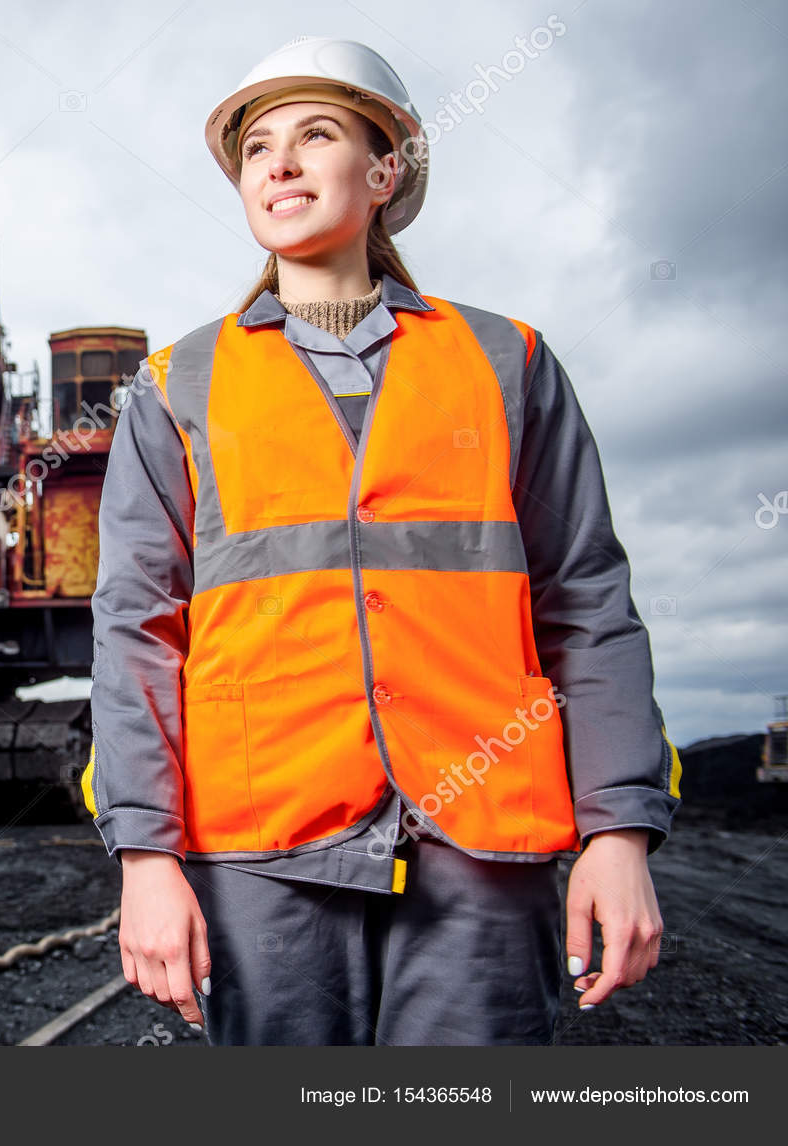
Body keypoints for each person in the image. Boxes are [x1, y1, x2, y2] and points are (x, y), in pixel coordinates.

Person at [81, 36, 683, 1045]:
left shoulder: (506, 363)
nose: (279, 162)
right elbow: (136, 629)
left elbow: (584, 603)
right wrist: (145, 860)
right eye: (256, 146)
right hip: (262, 849)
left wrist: (617, 832)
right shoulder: (177, 386)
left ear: (384, 170)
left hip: (481, 845)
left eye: (316, 134)